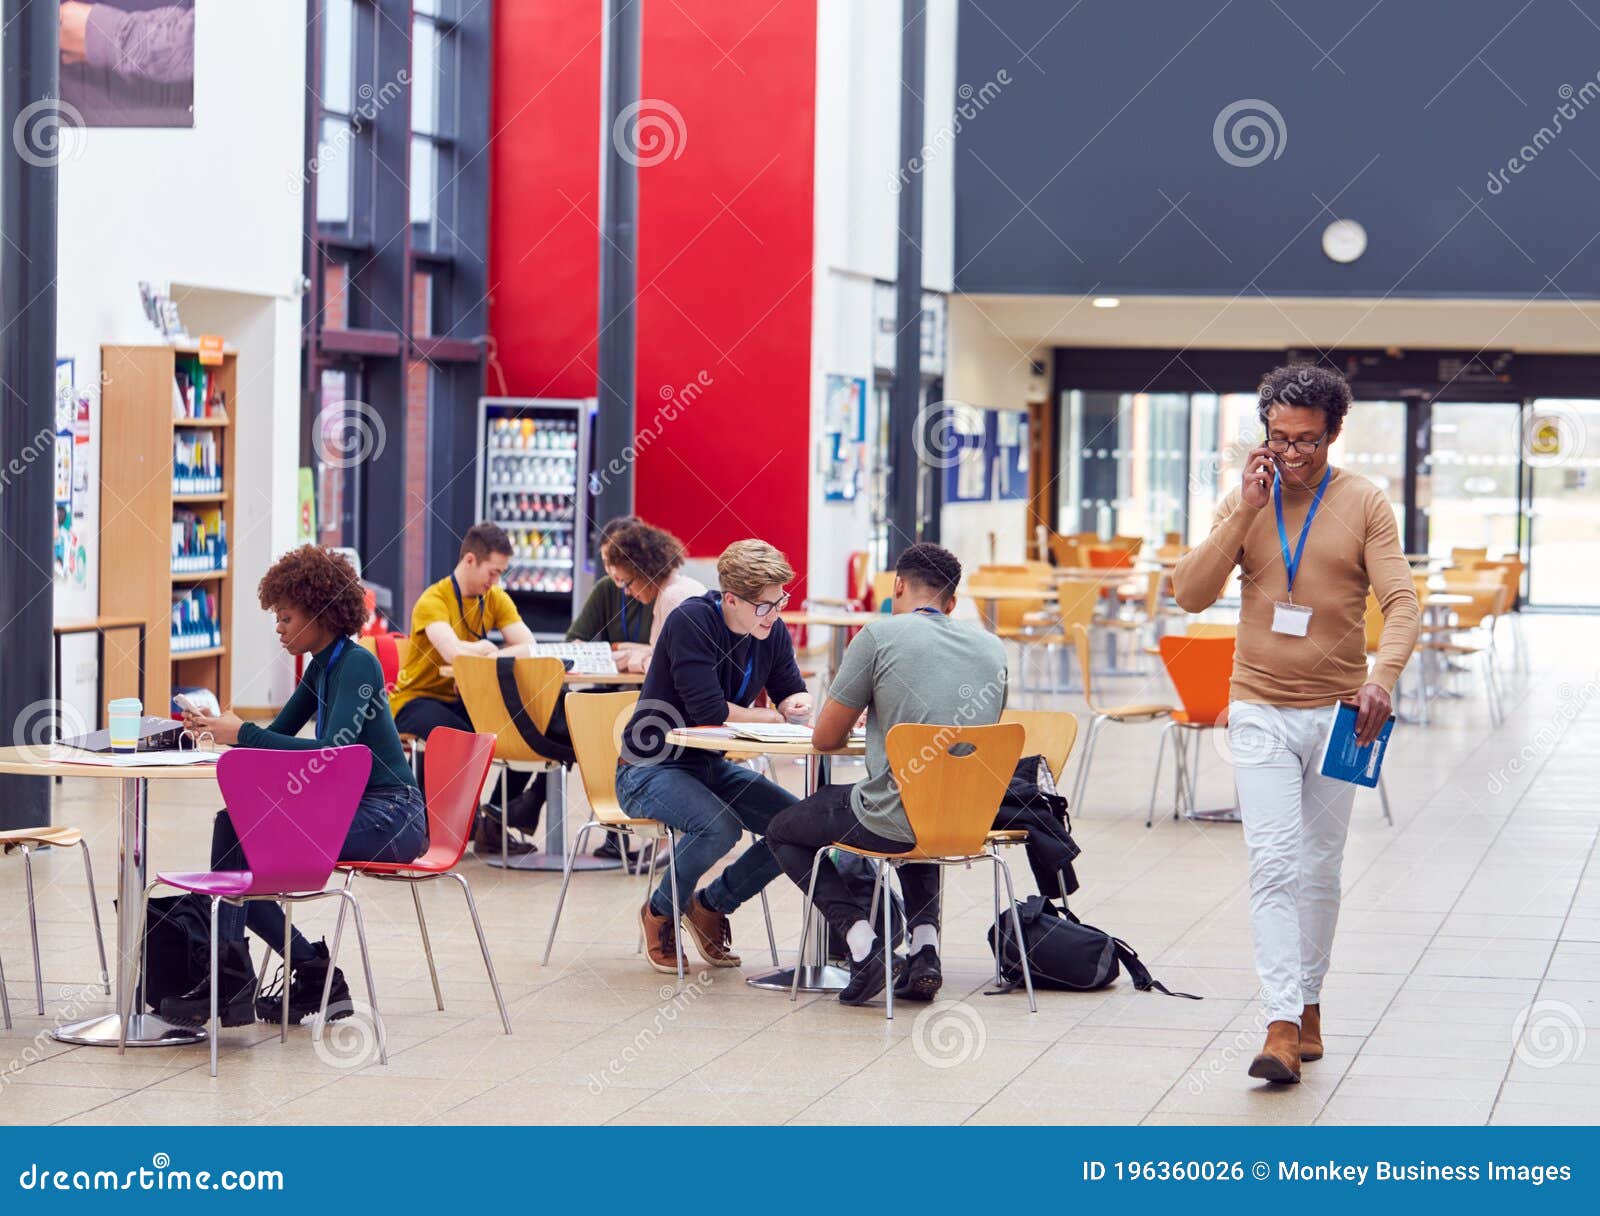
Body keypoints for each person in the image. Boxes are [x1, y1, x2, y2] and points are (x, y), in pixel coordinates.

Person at [1173, 363, 1419, 1084]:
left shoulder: (1363, 501)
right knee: (1274, 862)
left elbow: (1402, 603)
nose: (1291, 454)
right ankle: (1280, 1023)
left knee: (1320, 869)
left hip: (1341, 715)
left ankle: (1309, 1001)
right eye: (1278, 438)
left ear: (1333, 434)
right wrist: (1245, 512)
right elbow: (1189, 594)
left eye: (1306, 440)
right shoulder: (1246, 499)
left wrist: (1381, 679)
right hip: (1258, 706)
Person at [170, 546, 427, 1027]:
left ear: (321, 613)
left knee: (244, 845)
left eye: (286, 617)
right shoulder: (320, 667)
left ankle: (248, 977)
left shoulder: (358, 665)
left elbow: (331, 753)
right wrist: (218, 728)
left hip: (394, 816)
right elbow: (279, 737)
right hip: (354, 808)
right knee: (233, 828)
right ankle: (285, 971)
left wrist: (242, 732)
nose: (279, 628)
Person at [766, 543, 1008, 1006]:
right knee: (922, 800)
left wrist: (872, 710)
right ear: (952, 602)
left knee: (783, 831)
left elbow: (825, 739)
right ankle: (924, 952)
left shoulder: (877, 636)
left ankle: (863, 946)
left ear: (897, 586)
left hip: (893, 819)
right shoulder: (992, 647)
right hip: (966, 818)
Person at [616, 539, 812, 972]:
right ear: (731, 599)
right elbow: (709, 711)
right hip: (648, 767)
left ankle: (711, 904)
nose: (775, 614)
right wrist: (769, 715)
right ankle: (660, 912)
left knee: (797, 827)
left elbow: (788, 689)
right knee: (717, 828)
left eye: (780, 601)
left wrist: (796, 703)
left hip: (707, 766)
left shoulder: (771, 631)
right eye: (764, 606)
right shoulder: (692, 621)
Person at [388, 523, 544, 853]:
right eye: (493, 572)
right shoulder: (433, 599)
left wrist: (490, 654)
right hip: (415, 699)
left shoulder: (494, 598)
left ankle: (493, 823)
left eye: (500, 573)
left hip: (465, 697)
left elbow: (530, 646)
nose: (495, 581)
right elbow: (452, 653)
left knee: (520, 729)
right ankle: (428, 828)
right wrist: (485, 648)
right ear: (470, 560)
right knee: (459, 736)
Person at [566, 515, 655, 862]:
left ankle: (624, 830)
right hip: (610, 694)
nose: (611, 570)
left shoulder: (659, 591)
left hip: (650, 698)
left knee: (618, 731)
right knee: (563, 715)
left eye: (615, 560)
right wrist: (613, 652)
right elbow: (575, 639)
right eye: (606, 560)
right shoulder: (607, 589)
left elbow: (662, 650)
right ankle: (514, 809)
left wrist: (628, 650)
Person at [602, 523, 707, 673]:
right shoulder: (673, 591)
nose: (627, 592)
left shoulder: (673, 598)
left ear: (645, 572)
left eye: (627, 583)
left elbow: (669, 668)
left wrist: (640, 660)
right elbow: (661, 652)